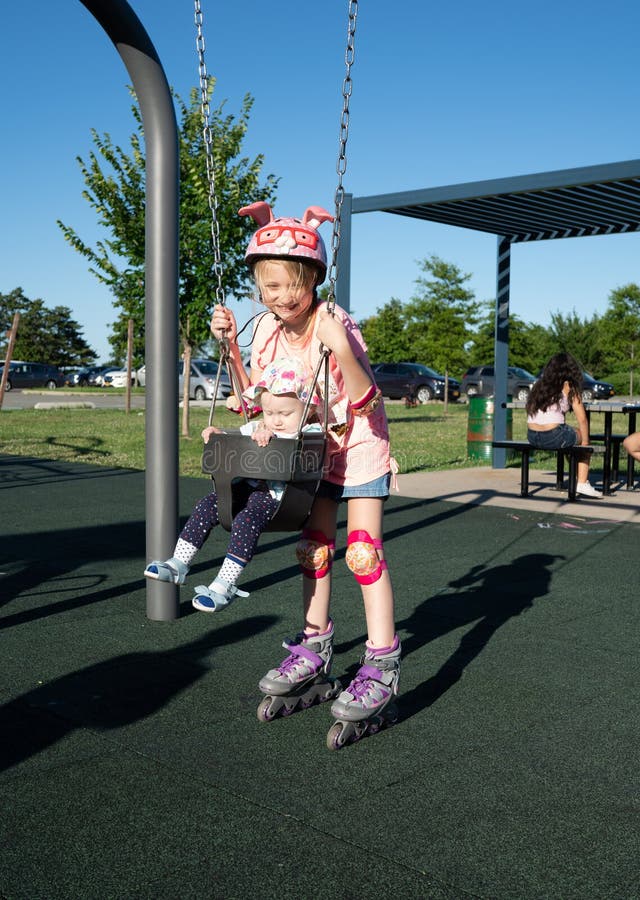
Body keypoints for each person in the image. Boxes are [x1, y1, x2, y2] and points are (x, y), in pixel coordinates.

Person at [209, 201, 400, 735]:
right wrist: (231, 349)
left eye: (293, 284)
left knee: (362, 552)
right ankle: (315, 645)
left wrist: (340, 347)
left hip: (358, 443)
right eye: (270, 287)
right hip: (309, 450)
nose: (283, 296)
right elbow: (258, 399)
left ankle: (382, 662)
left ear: (315, 278)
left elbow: (365, 399)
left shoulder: (334, 321)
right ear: (258, 289)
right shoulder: (267, 330)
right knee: (312, 546)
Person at [144, 356, 321, 612]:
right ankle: (177, 565)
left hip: (279, 501)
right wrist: (217, 434)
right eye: (270, 412)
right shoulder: (259, 425)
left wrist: (275, 437)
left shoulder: (310, 431)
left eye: (285, 413)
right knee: (207, 504)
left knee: (246, 521)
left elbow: (300, 440)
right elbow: (236, 435)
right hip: (241, 492)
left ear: (309, 409)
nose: (276, 420)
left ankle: (224, 585)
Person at [526, 351, 601, 498]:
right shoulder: (568, 386)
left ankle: (576, 476)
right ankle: (582, 483)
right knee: (582, 437)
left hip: (532, 436)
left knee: (570, 439)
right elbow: (582, 419)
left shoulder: (539, 385)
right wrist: (586, 443)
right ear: (571, 370)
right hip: (553, 436)